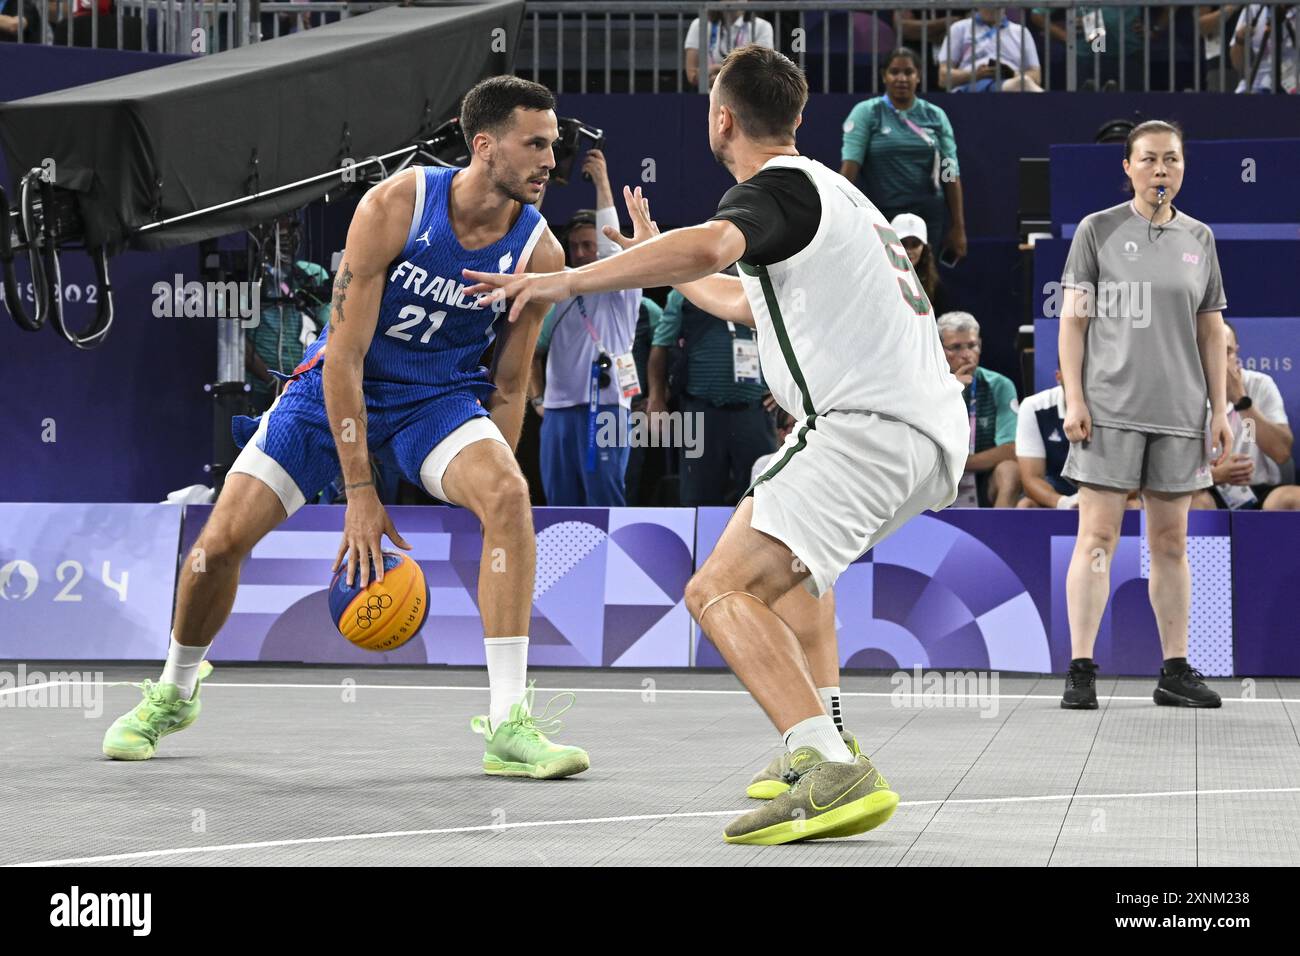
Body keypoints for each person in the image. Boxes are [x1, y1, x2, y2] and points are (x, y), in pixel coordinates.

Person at [466, 45, 968, 846]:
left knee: (717, 592)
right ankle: (825, 736)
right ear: (798, 117)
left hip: (865, 429)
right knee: (789, 583)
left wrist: (563, 280)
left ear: (722, 117)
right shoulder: (838, 198)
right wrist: (643, 251)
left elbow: (709, 250)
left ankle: (827, 764)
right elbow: (738, 298)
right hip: (922, 434)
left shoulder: (773, 190)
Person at [101, 77, 590, 781]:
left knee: (511, 496)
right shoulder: (396, 207)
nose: (551, 159)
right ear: (484, 146)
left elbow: (511, 385)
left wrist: (492, 491)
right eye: (535, 144)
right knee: (218, 544)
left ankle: (509, 725)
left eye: (553, 145)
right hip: (336, 392)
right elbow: (345, 356)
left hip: (437, 403)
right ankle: (173, 693)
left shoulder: (540, 253)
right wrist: (360, 493)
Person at [1058, 120, 1232, 711]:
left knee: (1171, 543)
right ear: (1128, 167)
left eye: (1173, 161)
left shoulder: (1200, 238)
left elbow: (1211, 329)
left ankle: (1175, 669)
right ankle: (1081, 669)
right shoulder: (1097, 230)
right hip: (1110, 408)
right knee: (1099, 537)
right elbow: (1073, 321)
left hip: (1181, 412)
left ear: (1183, 168)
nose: (1162, 170)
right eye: (1151, 160)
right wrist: (1075, 399)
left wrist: (1219, 408)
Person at [528, 149, 641, 506]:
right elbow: (533, 349)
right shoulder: (558, 288)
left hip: (607, 407)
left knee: (605, 498)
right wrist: (537, 397)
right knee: (559, 504)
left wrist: (603, 184)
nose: (580, 253)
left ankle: (614, 562)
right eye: (574, 246)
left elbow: (612, 251)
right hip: (559, 410)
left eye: (588, 245)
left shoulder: (621, 286)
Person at [840, 48, 967, 265]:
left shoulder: (935, 116)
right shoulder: (867, 112)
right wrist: (841, 216)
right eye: (894, 72)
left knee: (926, 282)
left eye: (908, 72)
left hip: (928, 215)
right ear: (884, 76)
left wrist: (958, 226)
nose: (901, 78)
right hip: (882, 213)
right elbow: (851, 167)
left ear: (918, 76)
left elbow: (949, 173)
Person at [652, 284, 775, 505]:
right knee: (698, 497)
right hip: (701, 411)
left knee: (762, 494)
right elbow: (660, 345)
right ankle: (702, 541)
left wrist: (784, 391)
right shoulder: (686, 289)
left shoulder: (761, 286)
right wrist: (656, 399)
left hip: (754, 411)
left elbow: (790, 336)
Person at [1191, 320, 1297, 510]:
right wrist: (1213, 475)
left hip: (1264, 489)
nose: (1219, 361)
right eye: (1211, 352)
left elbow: (1281, 453)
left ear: (1236, 354)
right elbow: (1167, 471)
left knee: (1292, 499)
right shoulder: (1183, 394)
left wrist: (1241, 400)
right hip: (1207, 488)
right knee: (1195, 503)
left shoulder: (1260, 384)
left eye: (1227, 352)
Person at [245, 216, 332, 416]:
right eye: (278, 226)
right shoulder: (248, 279)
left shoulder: (312, 273)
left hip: (303, 390)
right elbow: (235, 342)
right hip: (258, 390)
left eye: (291, 226)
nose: (286, 234)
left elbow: (331, 330)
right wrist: (271, 380)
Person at [938, 311, 1021, 507]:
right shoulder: (927, 387)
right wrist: (952, 394)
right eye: (956, 347)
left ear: (980, 345)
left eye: (972, 346)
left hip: (982, 478)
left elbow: (1010, 449)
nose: (966, 355)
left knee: (1010, 470)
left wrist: (959, 463)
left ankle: (999, 535)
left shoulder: (1000, 385)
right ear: (939, 350)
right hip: (938, 479)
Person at [936, 7, 1044, 92]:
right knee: (1023, 83)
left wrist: (1012, 74)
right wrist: (974, 75)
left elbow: (1036, 77)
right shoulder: (959, 28)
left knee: (1023, 82)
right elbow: (943, 77)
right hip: (970, 88)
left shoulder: (1021, 32)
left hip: (1012, 84)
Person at [684, 2, 775, 88]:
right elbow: (692, 76)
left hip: (747, 97)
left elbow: (763, 72)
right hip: (708, 95)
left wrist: (718, 73)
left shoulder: (763, 26)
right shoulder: (699, 24)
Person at [1230, 5, 1298, 94]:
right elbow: (1237, 64)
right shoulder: (1254, 9)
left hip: (1294, 84)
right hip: (1257, 85)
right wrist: (1240, 41)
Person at [890, 212, 946, 316]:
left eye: (915, 244)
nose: (909, 250)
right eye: (903, 243)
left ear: (924, 249)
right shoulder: (877, 278)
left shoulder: (935, 286)